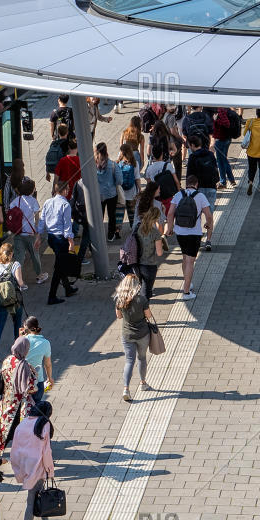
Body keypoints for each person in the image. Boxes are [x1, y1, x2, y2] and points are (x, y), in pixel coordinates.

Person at [12, 398, 62, 520]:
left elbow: (14, 450)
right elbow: (46, 452)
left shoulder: (22, 424)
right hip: (37, 467)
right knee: (32, 501)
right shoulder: (44, 425)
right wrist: (50, 470)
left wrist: (17, 468)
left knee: (38, 495)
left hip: (24, 465)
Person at [167, 181, 213, 300]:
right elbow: (208, 215)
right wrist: (208, 224)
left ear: (187, 184)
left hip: (180, 233)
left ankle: (187, 282)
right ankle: (186, 292)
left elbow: (170, 213)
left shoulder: (178, 195)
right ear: (196, 184)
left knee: (184, 257)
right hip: (194, 233)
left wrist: (170, 228)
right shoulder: (200, 196)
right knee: (190, 261)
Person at [114, 272, 156, 401]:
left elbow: (119, 316)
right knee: (142, 358)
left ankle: (126, 388)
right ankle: (143, 383)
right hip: (143, 334)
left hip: (127, 335)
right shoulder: (141, 299)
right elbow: (148, 315)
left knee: (129, 361)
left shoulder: (119, 299)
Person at [0, 336, 37, 455]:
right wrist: (35, 379)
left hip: (6, 401)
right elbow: (30, 388)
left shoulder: (7, 360)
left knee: (3, 428)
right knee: (17, 429)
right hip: (19, 405)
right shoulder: (23, 366)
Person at [40, 176, 78, 305]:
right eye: (67, 189)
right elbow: (67, 225)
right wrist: (71, 241)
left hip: (51, 238)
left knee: (60, 264)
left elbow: (42, 220)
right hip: (61, 239)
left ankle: (68, 289)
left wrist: (39, 237)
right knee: (58, 268)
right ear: (65, 191)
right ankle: (52, 296)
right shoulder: (65, 205)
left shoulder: (47, 202)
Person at [7, 177, 45, 285]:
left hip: (18, 234)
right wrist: (38, 232)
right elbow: (37, 218)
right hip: (30, 233)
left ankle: (17, 279)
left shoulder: (16, 201)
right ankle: (39, 276)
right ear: (32, 190)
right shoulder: (33, 201)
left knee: (19, 257)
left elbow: (10, 211)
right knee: (35, 255)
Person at [132, 204, 168, 299]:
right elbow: (159, 253)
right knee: (146, 291)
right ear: (156, 218)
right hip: (149, 265)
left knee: (140, 287)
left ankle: (140, 308)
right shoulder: (155, 233)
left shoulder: (138, 228)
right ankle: (144, 311)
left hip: (136, 262)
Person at [21, 315, 54, 400]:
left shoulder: (23, 340)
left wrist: (20, 337)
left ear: (26, 327)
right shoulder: (45, 343)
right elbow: (48, 364)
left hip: (22, 380)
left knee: (22, 408)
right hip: (38, 381)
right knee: (35, 409)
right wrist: (49, 378)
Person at [95, 142, 120, 240]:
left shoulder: (93, 165)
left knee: (99, 216)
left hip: (98, 194)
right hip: (111, 194)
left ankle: (99, 236)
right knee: (111, 215)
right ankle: (110, 235)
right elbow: (119, 180)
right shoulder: (113, 165)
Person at [211, 106, 240, 189]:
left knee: (220, 162)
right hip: (226, 138)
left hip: (221, 139)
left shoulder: (220, 110)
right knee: (224, 160)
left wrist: (216, 119)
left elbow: (226, 123)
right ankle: (231, 180)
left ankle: (223, 182)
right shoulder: (225, 109)